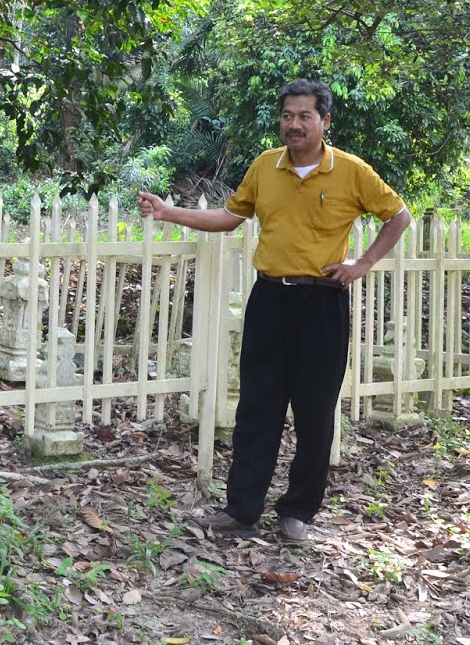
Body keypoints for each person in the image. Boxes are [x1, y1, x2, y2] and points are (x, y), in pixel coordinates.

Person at [137, 80, 411, 546]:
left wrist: (361, 264)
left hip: (322, 302)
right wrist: (168, 212)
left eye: (305, 116)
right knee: (256, 407)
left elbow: (398, 216)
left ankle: (298, 511)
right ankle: (241, 509)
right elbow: (229, 217)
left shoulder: (351, 171)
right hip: (269, 300)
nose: (295, 124)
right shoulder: (265, 166)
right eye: (288, 115)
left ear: (325, 122)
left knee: (315, 412)